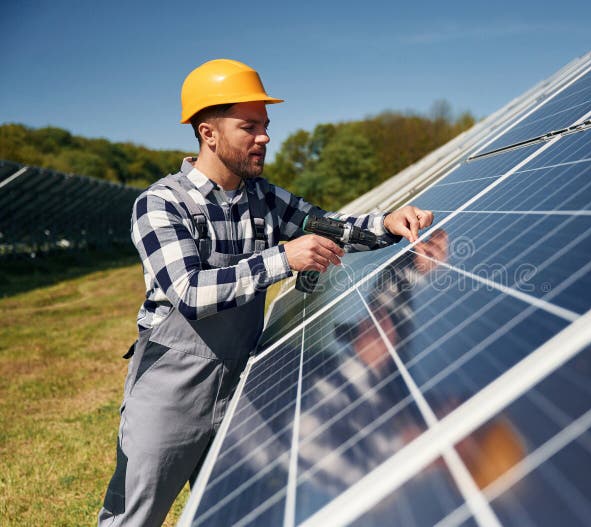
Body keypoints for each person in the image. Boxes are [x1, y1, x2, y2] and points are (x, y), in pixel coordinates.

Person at [98, 58, 434, 526]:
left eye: (266, 125)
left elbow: (332, 227)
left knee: (238, 511)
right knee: (135, 516)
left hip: (242, 388)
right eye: (249, 126)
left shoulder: (264, 197)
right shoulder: (161, 203)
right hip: (171, 389)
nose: (265, 137)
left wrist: (387, 224)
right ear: (207, 133)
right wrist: (283, 258)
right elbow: (189, 293)